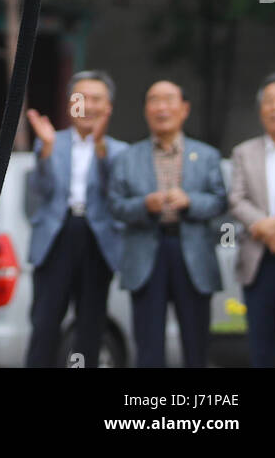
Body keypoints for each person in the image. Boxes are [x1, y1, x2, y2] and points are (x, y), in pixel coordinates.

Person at [108, 81, 227, 368]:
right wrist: (143, 206)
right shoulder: (128, 157)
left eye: (169, 100)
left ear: (184, 109)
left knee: (196, 344)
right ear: (146, 110)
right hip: (147, 249)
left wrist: (190, 202)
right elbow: (116, 206)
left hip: (192, 252)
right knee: (148, 346)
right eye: (154, 100)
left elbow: (221, 202)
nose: (162, 107)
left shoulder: (207, 155)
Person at [24, 71, 127, 367]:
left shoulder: (119, 151)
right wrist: (45, 150)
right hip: (57, 235)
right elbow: (40, 191)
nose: (89, 105)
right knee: (45, 322)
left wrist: (100, 147)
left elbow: (116, 194)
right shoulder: (50, 141)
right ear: (71, 104)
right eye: (81, 98)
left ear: (108, 107)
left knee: (91, 323)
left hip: (97, 239)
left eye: (97, 99)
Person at [229, 72, 275, 367]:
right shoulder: (244, 152)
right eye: (270, 101)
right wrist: (266, 230)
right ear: (260, 108)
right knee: (261, 346)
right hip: (257, 260)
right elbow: (236, 199)